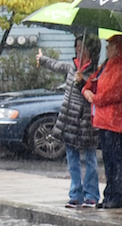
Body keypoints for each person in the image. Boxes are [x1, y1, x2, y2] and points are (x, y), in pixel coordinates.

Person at [38, 39, 101, 208]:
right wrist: (42, 59)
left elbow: (95, 93)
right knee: (72, 159)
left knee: (90, 159)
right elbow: (56, 65)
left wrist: (82, 81)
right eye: (77, 46)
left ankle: (92, 194)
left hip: (86, 121)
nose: (78, 49)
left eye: (82, 46)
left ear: (90, 49)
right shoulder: (71, 67)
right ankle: (75, 194)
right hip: (69, 119)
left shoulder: (96, 71)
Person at [84, 34, 122, 210]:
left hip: (119, 122)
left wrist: (94, 97)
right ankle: (110, 195)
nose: (107, 49)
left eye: (110, 45)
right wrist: (87, 90)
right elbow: (91, 82)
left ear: (119, 48)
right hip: (104, 121)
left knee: (118, 161)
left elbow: (114, 93)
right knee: (109, 161)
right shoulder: (107, 65)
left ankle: (119, 196)